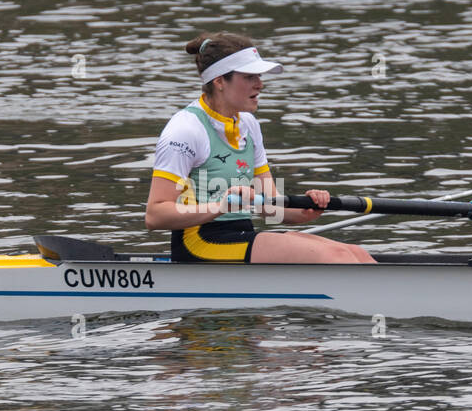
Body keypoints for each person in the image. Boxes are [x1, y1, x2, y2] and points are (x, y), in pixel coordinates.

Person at [146, 32, 375, 264]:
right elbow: (155, 216)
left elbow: (270, 205)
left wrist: (308, 209)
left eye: (259, 75)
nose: (260, 84)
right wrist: (221, 206)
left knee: (357, 254)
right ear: (219, 81)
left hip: (240, 236)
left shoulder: (247, 124)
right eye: (249, 76)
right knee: (335, 256)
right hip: (200, 243)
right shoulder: (186, 130)